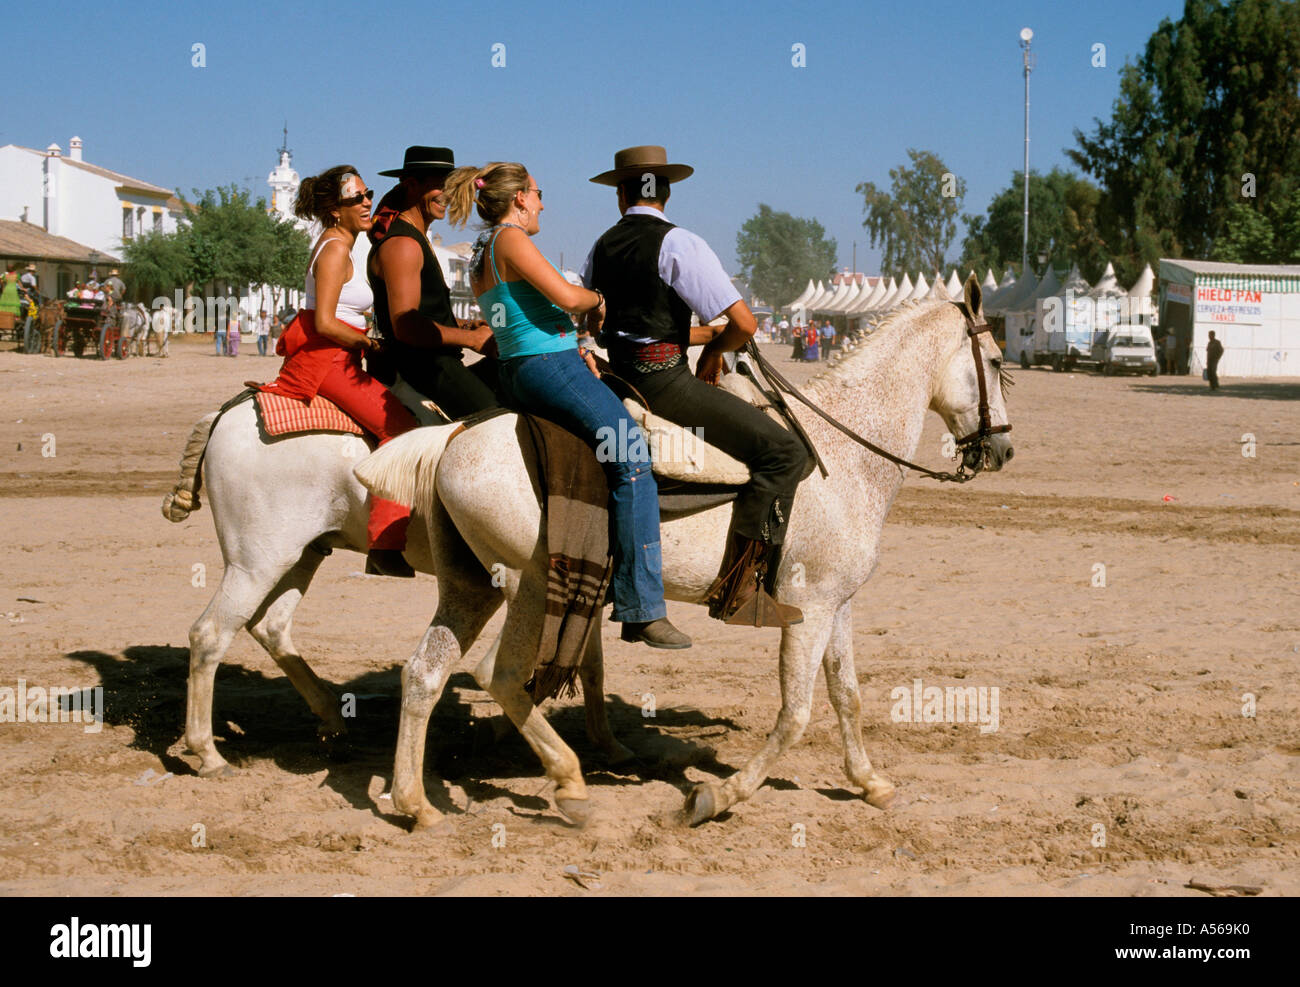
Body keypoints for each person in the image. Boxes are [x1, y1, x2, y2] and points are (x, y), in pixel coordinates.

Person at [444, 161, 690, 649]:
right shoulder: (512, 239)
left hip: (517, 369)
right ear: (518, 199)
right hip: (548, 367)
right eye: (537, 193)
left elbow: (507, 319)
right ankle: (641, 605)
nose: (541, 203)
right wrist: (597, 298)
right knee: (632, 455)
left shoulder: (479, 252)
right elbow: (565, 296)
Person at [583, 145, 808, 628]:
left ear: (622, 196)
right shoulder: (680, 243)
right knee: (784, 453)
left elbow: (596, 322)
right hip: (664, 384)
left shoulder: (600, 246)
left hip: (615, 375)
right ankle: (742, 589)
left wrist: (698, 340)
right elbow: (743, 323)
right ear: (664, 192)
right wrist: (715, 350)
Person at [261, 164, 419, 577]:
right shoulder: (334, 249)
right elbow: (326, 322)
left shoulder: (343, 244)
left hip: (339, 356)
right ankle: (385, 545)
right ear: (335, 210)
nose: (367, 202)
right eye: (357, 199)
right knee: (399, 429)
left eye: (368, 194)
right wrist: (369, 343)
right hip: (328, 360)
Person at [367, 145, 499, 419]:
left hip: (434, 362)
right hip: (421, 369)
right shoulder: (404, 244)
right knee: (496, 420)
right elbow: (406, 325)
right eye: (440, 187)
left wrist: (462, 324)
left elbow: (425, 313)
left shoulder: (416, 238)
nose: (448, 197)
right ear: (412, 185)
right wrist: (471, 338)